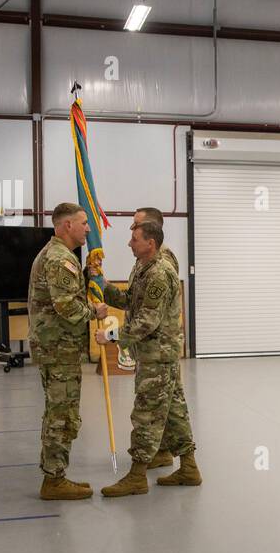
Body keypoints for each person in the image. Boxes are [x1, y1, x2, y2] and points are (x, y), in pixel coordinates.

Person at [91, 217, 198, 495]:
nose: (129, 242)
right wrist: (102, 284)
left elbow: (147, 320)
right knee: (175, 413)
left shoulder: (160, 273)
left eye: (134, 239)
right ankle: (189, 467)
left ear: (150, 243)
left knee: (146, 414)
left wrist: (111, 337)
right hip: (157, 354)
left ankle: (137, 475)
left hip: (157, 356)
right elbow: (130, 301)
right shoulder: (143, 267)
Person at [29, 202, 96, 500]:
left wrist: (85, 273)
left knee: (62, 411)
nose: (88, 228)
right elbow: (66, 306)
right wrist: (96, 310)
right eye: (83, 223)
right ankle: (54, 479)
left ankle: (55, 475)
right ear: (67, 225)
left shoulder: (61, 256)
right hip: (58, 348)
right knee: (61, 414)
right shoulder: (58, 259)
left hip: (58, 347)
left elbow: (63, 294)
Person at [133, 207, 191, 472]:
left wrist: (115, 338)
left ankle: (140, 470)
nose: (130, 234)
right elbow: (133, 299)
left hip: (159, 348)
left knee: (150, 407)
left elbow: (151, 314)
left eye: (135, 228)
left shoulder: (161, 263)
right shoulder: (143, 261)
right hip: (154, 348)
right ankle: (182, 461)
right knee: (173, 406)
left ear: (151, 234)